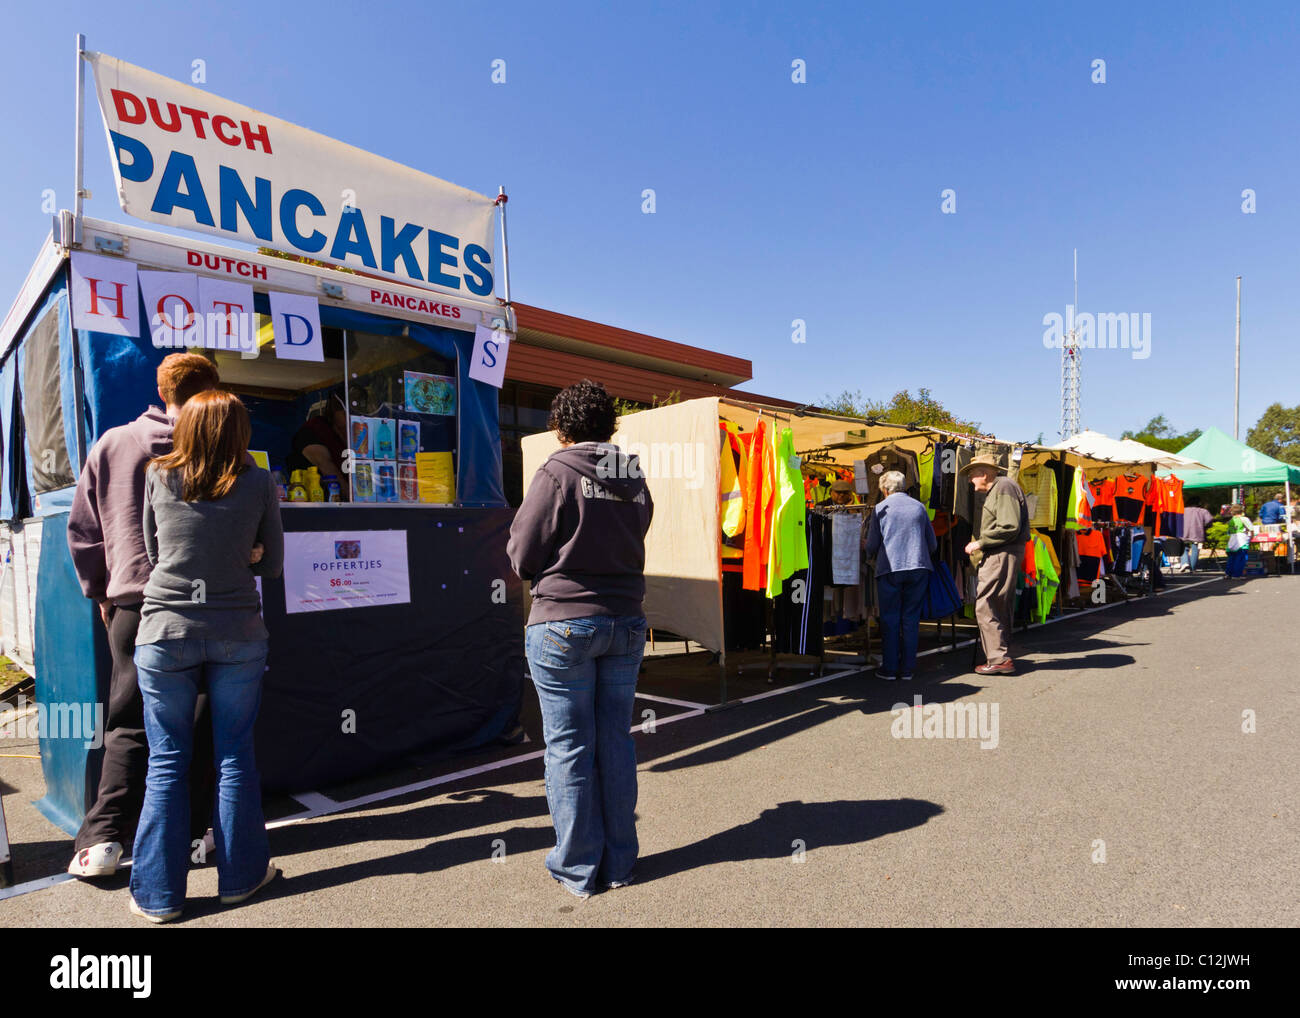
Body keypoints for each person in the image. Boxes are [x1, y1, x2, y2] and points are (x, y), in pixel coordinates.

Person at [128, 390, 284, 922]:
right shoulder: (259, 481)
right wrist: (250, 551)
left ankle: (157, 897)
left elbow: (155, 556)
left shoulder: (157, 475)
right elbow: (273, 564)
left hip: (165, 629)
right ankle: (240, 880)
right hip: (237, 631)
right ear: (239, 432)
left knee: (166, 762)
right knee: (234, 755)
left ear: (186, 428)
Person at [65, 353, 222, 878]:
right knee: (198, 722)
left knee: (127, 721)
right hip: (203, 606)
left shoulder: (112, 443)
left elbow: (83, 531)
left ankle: (103, 841)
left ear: (161, 391)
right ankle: (195, 834)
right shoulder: (217, 447)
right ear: (210, 391)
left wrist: (102, 592)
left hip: (132, 602)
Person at [506, 380, 653, 898]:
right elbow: (640, 534)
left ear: (561, 428)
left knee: (569, 747)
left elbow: (523, 554)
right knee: (615, 740)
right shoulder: (632, 474)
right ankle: (619, 862)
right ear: (609, 425)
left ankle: (577, 868)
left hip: (564, 621)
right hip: (625, 621)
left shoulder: (558, 471)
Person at [863, 470, 936, 681]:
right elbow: (932, 544)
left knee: (890, 619)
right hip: (918, 567)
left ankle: (889, 668)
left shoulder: (880, 508)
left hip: (890, 568)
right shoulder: (919, 507)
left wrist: (865, 549)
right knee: (910, 619)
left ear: (885, 489)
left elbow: (873, 545)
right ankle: (907, 670)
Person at [962, 453, 1030, 675]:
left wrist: (980, 542)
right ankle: (1000, 655)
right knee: (998, 603)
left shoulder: (1003, 487)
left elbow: (1009, 526)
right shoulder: (1003, 486)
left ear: (984, 473)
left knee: (986, 604)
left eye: (972, 475)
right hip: (1004, 552)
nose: (971, 480)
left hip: (1001, 552)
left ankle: (998, 658)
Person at [286, 390, 348, 492]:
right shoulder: (315, 429)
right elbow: (326, 467)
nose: (349, 417)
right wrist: (353, 498)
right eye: (344, 411)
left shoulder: (359, 435)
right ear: (333, 411)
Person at [1180, 498, 1214, 574]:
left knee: (1183, 548)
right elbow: (1209, 520)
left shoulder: (1182, 510)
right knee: (1195, 549)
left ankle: (1185, 562)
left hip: (1183, 533)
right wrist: (1204, 525)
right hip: (1197, 533)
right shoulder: (1203, 511)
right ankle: (1192, 568)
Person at [1223, 503, 1255, 579]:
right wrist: (1252, 537)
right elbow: (1251, 529)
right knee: (1240, 558)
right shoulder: (1244, 519)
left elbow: (1228, 532)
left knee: (1231, 558)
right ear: (1242, 511)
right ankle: (1237, 575)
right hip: (1241, 540)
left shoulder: (1231, 520)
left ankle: (1228, 574)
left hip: (1232, 540)